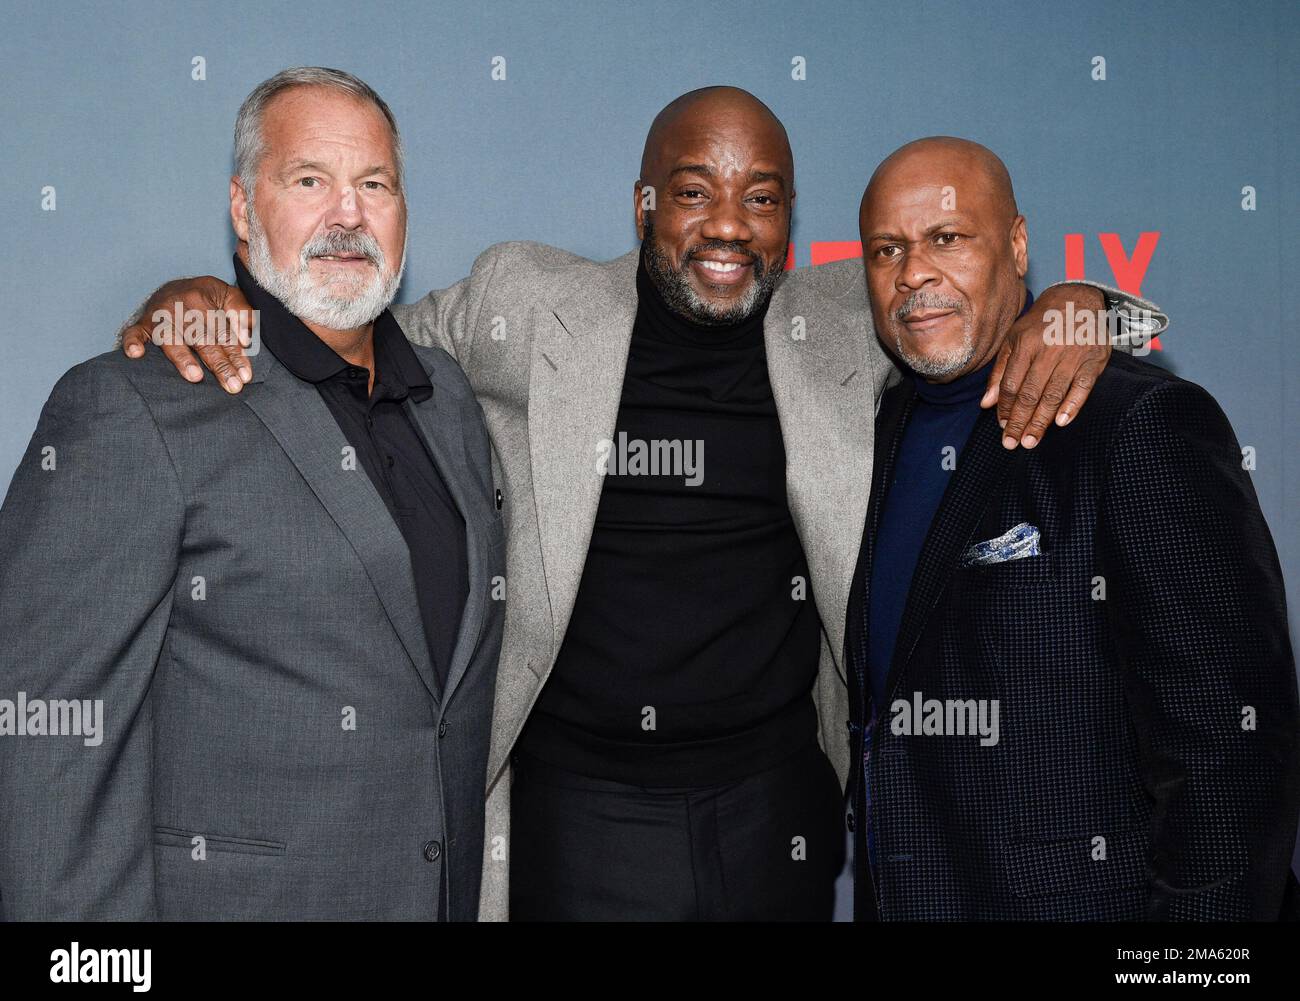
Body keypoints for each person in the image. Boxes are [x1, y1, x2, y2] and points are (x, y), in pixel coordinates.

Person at [117, 84, 1166, 920]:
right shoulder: (528, 300)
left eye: (760, 196)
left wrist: (1088, 309)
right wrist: (214, 301)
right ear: (643, 204)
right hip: (579, 811)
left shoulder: (845, 317)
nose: (727, 224)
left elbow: (974, 306)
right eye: (694, 189)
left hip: (776, 807)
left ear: (789, 221)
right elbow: (350, 334)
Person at [0, 68, 504, 920]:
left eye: (374, 184)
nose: (348, 213)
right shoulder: (136, 405)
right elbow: (44, 733)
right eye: (309, 181)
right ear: (242, 208)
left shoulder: (448, 399)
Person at [846, 136, 1299, 920]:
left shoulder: (1136, 424)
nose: (915, 271)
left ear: (1019, 246)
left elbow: (1230, 752)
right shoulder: (869, 426)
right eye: (888, 249)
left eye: (948, 237)